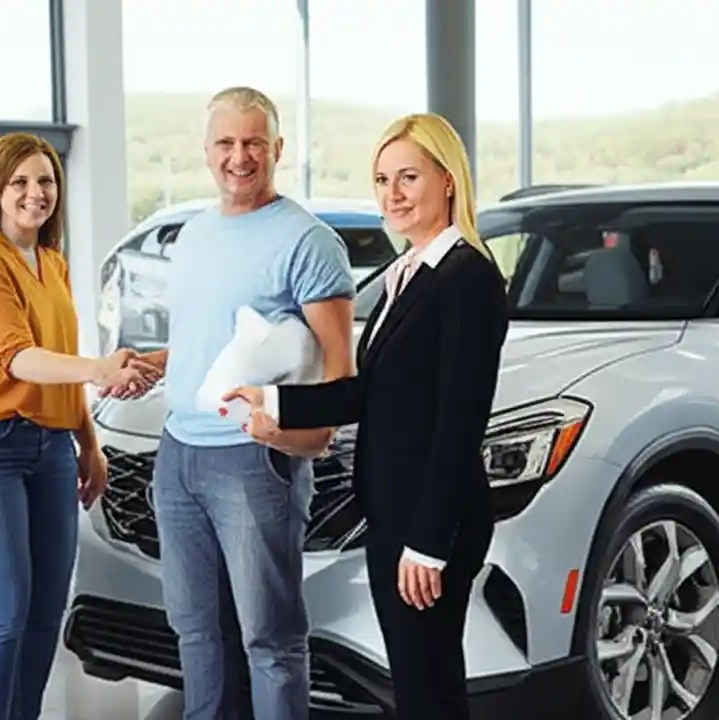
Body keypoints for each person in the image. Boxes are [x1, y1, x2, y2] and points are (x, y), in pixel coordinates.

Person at [227, 113, 509, 719]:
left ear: (448, 181)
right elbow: (364, 396)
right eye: (382, 180)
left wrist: (429, 544)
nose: (393, 194)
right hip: (397, 516)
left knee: (429, 687)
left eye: (409, 177)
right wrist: (272, 401)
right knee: (418, 683)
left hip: (431, 525)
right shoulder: (407, 275)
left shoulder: (467, 279)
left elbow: (461, 423)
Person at [127, 87, 356, 720]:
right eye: (226, 143)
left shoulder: (308, 242)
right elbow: (209, 342)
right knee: (196, 633)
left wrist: (300, 440)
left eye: (254, 142)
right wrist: (157, 366)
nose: (240, 156)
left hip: (253, 460)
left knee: (270, 640)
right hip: (178, 456)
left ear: (278, 149)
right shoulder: (194, 235)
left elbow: (340, 371)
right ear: (206, 151)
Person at [0, 132, 160, 720]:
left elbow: (56, 354)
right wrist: (101, 370)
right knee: (4, 610)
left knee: (44, 611)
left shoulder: (51, 262)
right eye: (21, 182)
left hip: (50, 447)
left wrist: (88, 440)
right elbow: (18, 356)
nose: (37, 193)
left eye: (47, 181)